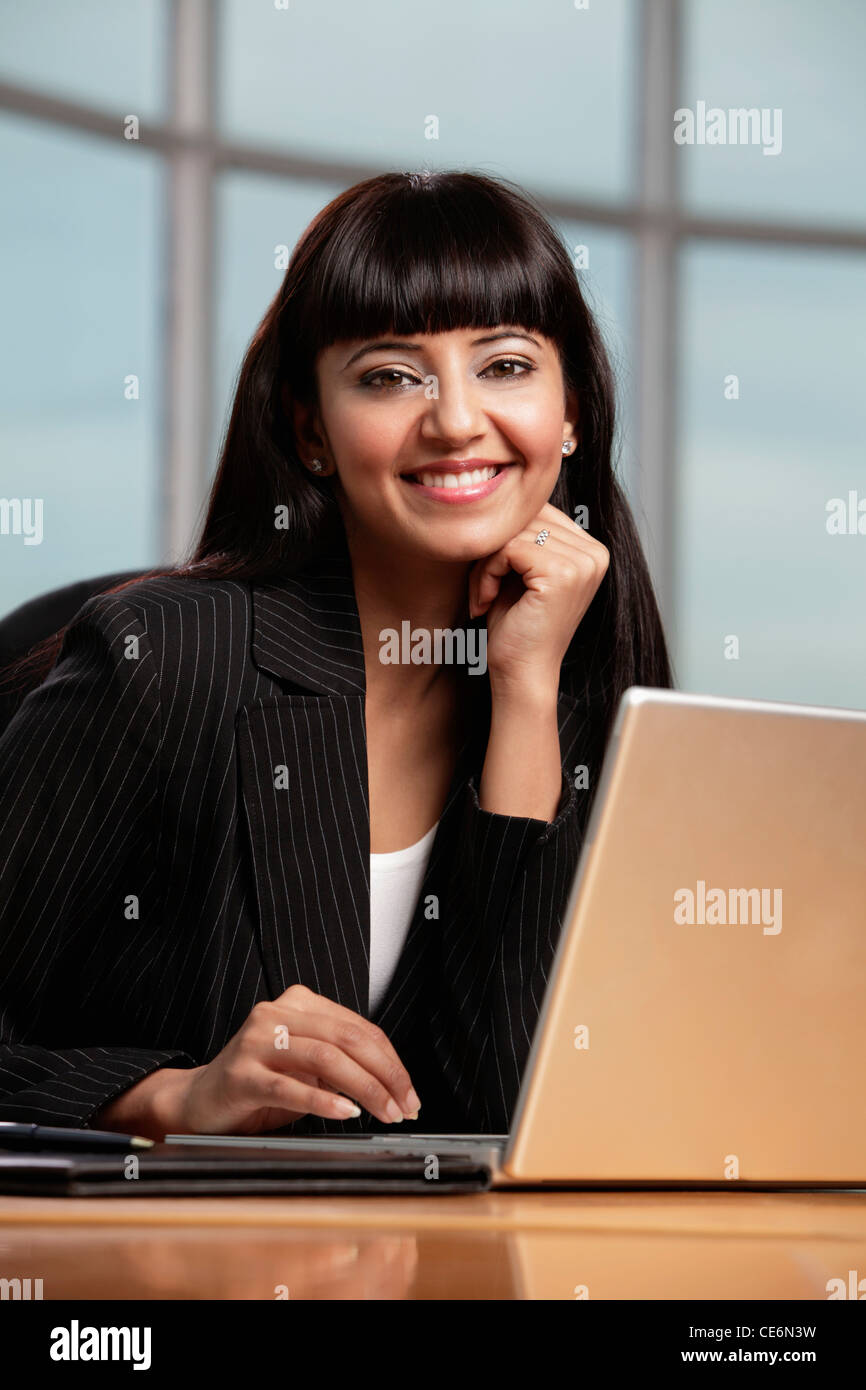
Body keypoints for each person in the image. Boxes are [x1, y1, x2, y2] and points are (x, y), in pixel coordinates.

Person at [0, 169, 672, 1141]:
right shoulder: (168, 659)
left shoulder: (584, 693)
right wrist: (173, 1097)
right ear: (311, 429)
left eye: (505, 365)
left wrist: (524, 692)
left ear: (568, 410)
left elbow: (511, 1099)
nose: (452, 420)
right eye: (389, 376)